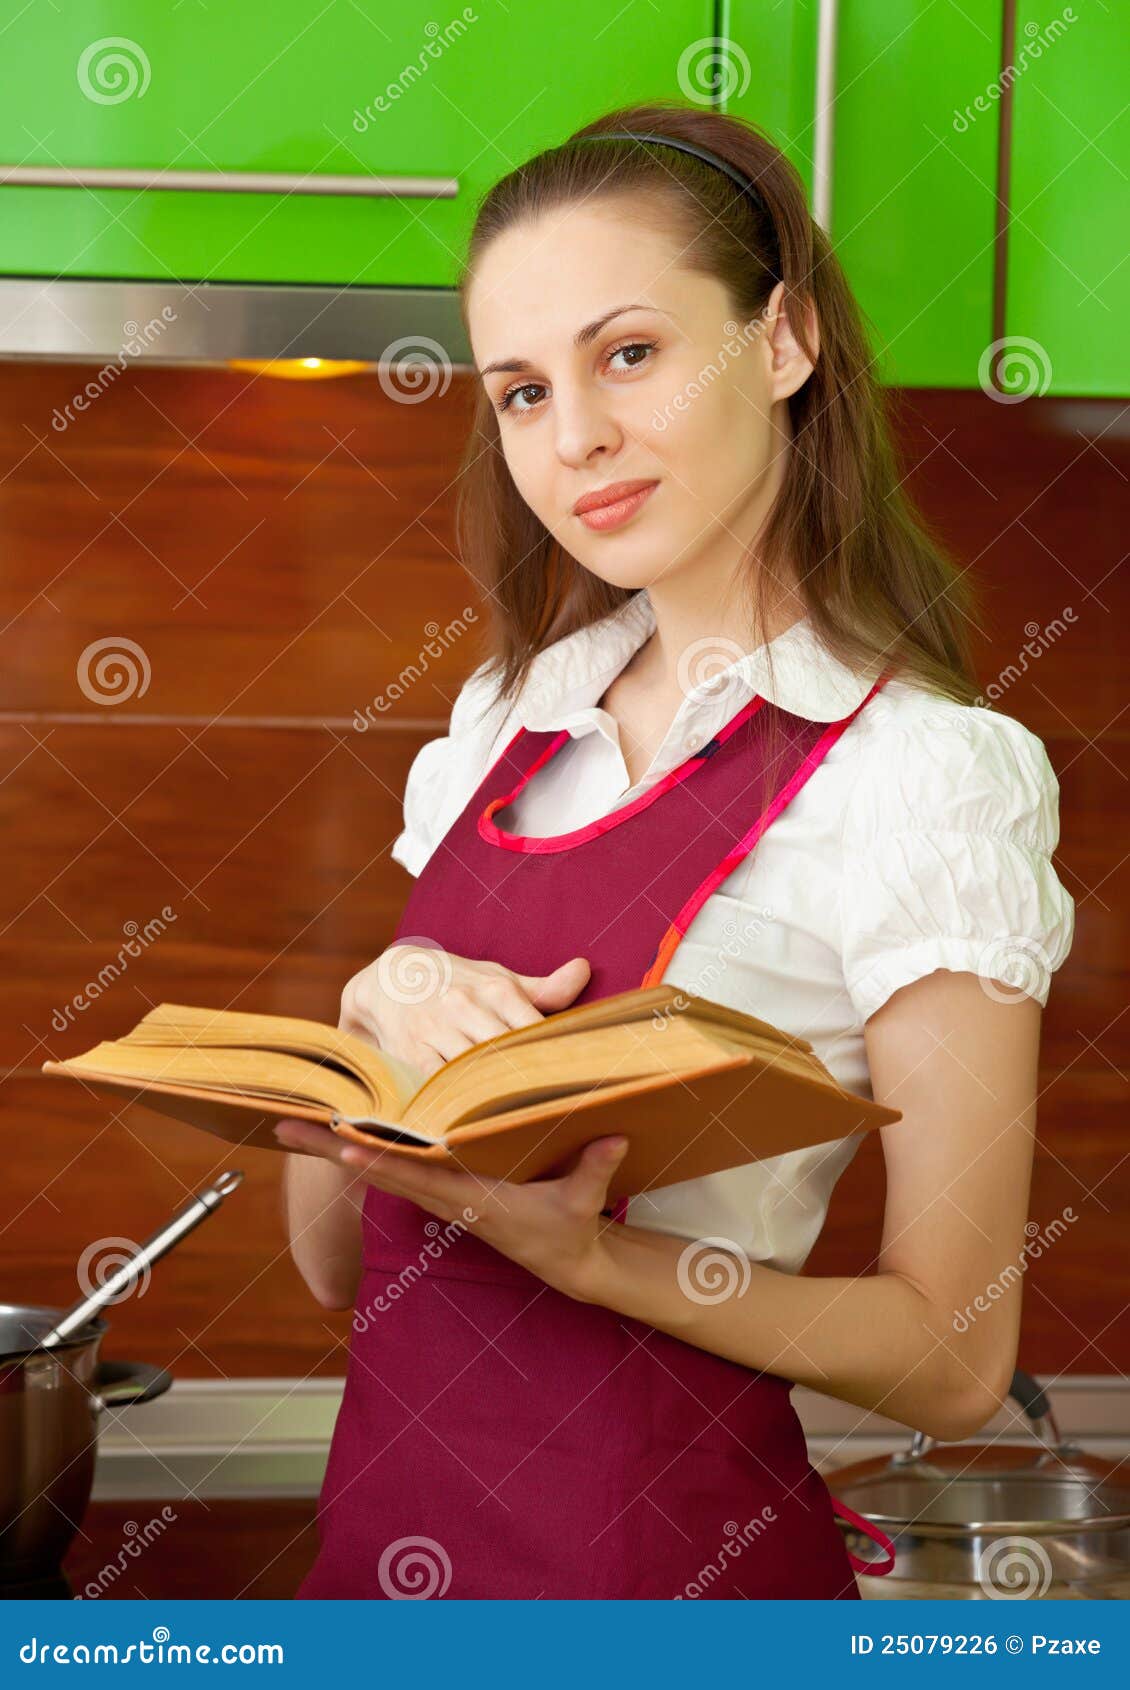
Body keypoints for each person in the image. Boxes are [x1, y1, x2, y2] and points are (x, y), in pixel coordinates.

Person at [277, 102, 1075, 1600]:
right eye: (518, 390)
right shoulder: (503, 723)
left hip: (667, 1592)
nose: (570, 434)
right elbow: (342, 1270)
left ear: (779, 344)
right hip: (379, 1584)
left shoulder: (924, 778)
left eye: (626, 352)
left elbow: (957, 1358)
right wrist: (367, 1018)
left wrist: (592, 1261)